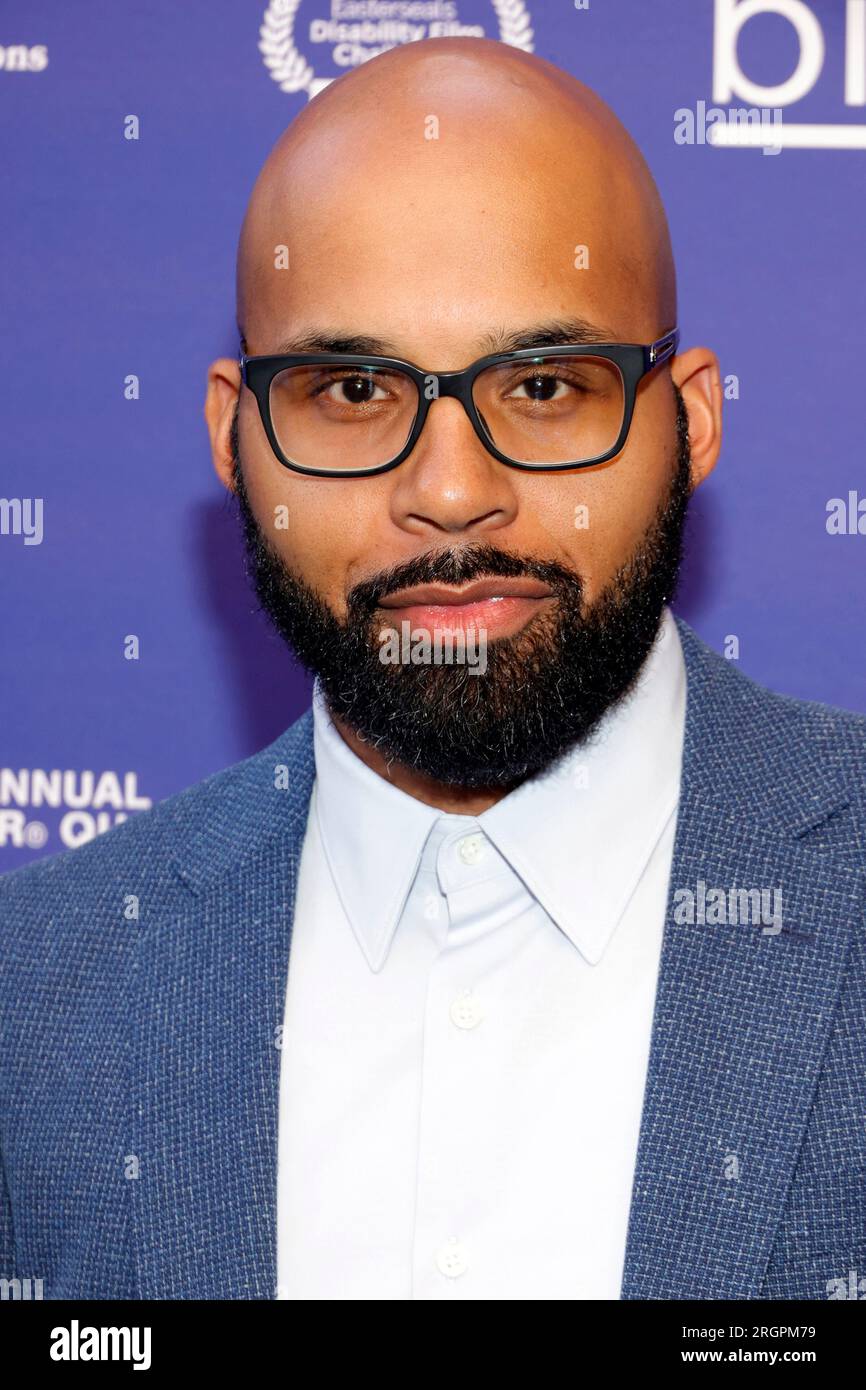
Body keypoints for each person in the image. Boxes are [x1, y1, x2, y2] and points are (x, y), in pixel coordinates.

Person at [1, 37, 864, 1302]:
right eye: (351, 387)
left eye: (546, 386)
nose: (451, 493)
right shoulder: (36, 990)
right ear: (233, 436)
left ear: (688, 418)